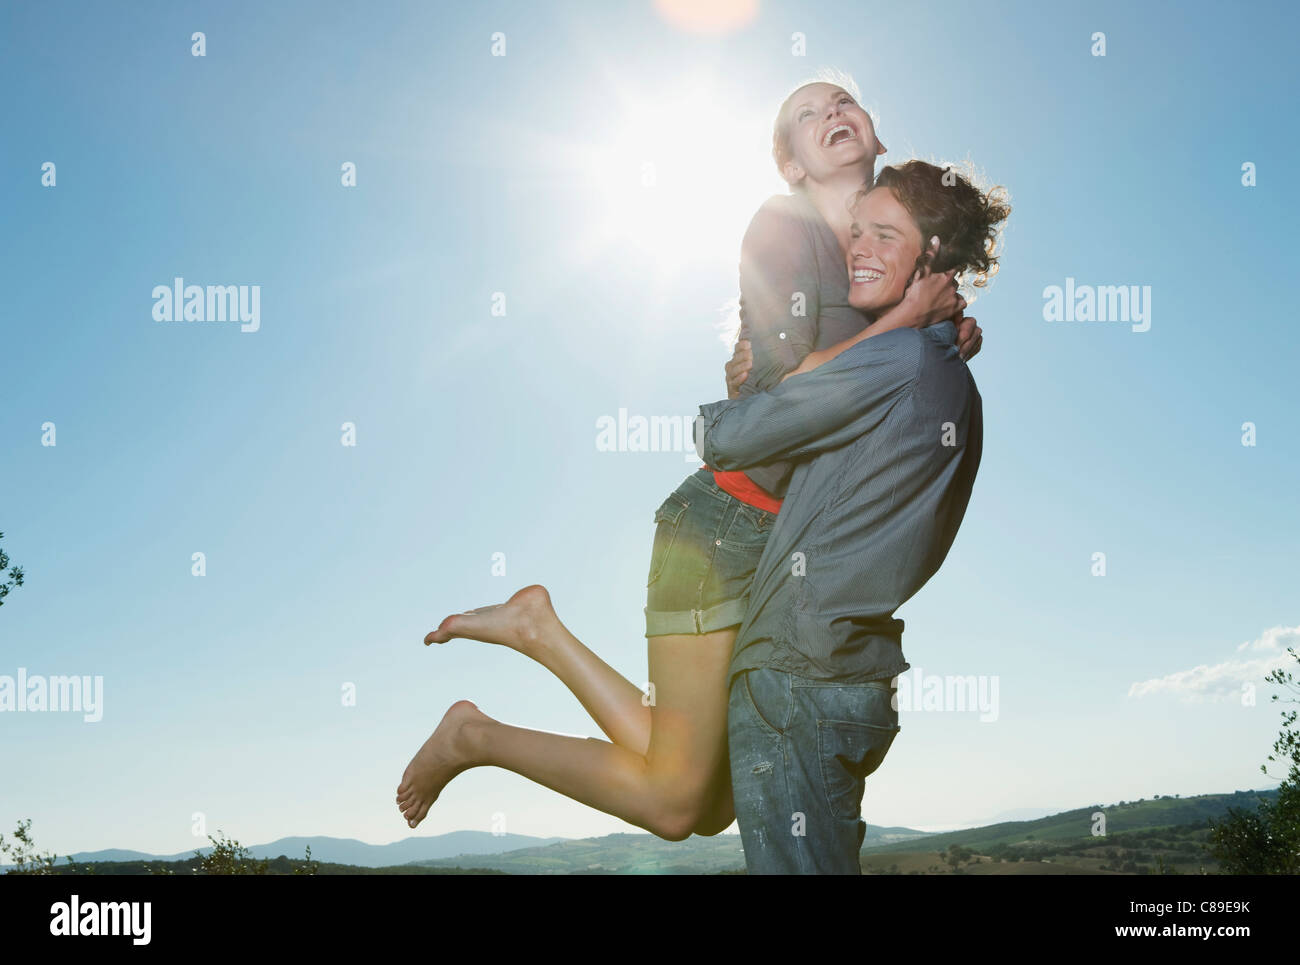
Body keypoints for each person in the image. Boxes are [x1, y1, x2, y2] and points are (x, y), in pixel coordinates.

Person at [394, 79, 982, 840]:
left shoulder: (881, 241)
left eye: (843, 102)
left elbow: (906, 356)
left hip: (782, 551)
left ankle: (538, 628)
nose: (830, 113)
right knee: (678, 804)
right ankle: (475, 736)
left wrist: (946, 331)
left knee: (708, 802)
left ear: (877, 138)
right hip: (726, 522)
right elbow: (767, 400)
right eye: (806, 114)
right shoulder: (782, 229)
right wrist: (907, 326)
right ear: (792, 166)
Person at [700, 160, 1010, 873]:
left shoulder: (897, 360)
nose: (857, 249)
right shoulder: (956, 382)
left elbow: (725, 438)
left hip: (796, 678)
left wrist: (748, 390)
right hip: (852, 679)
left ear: (932, 260)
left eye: (885, 235)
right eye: (855, 231)